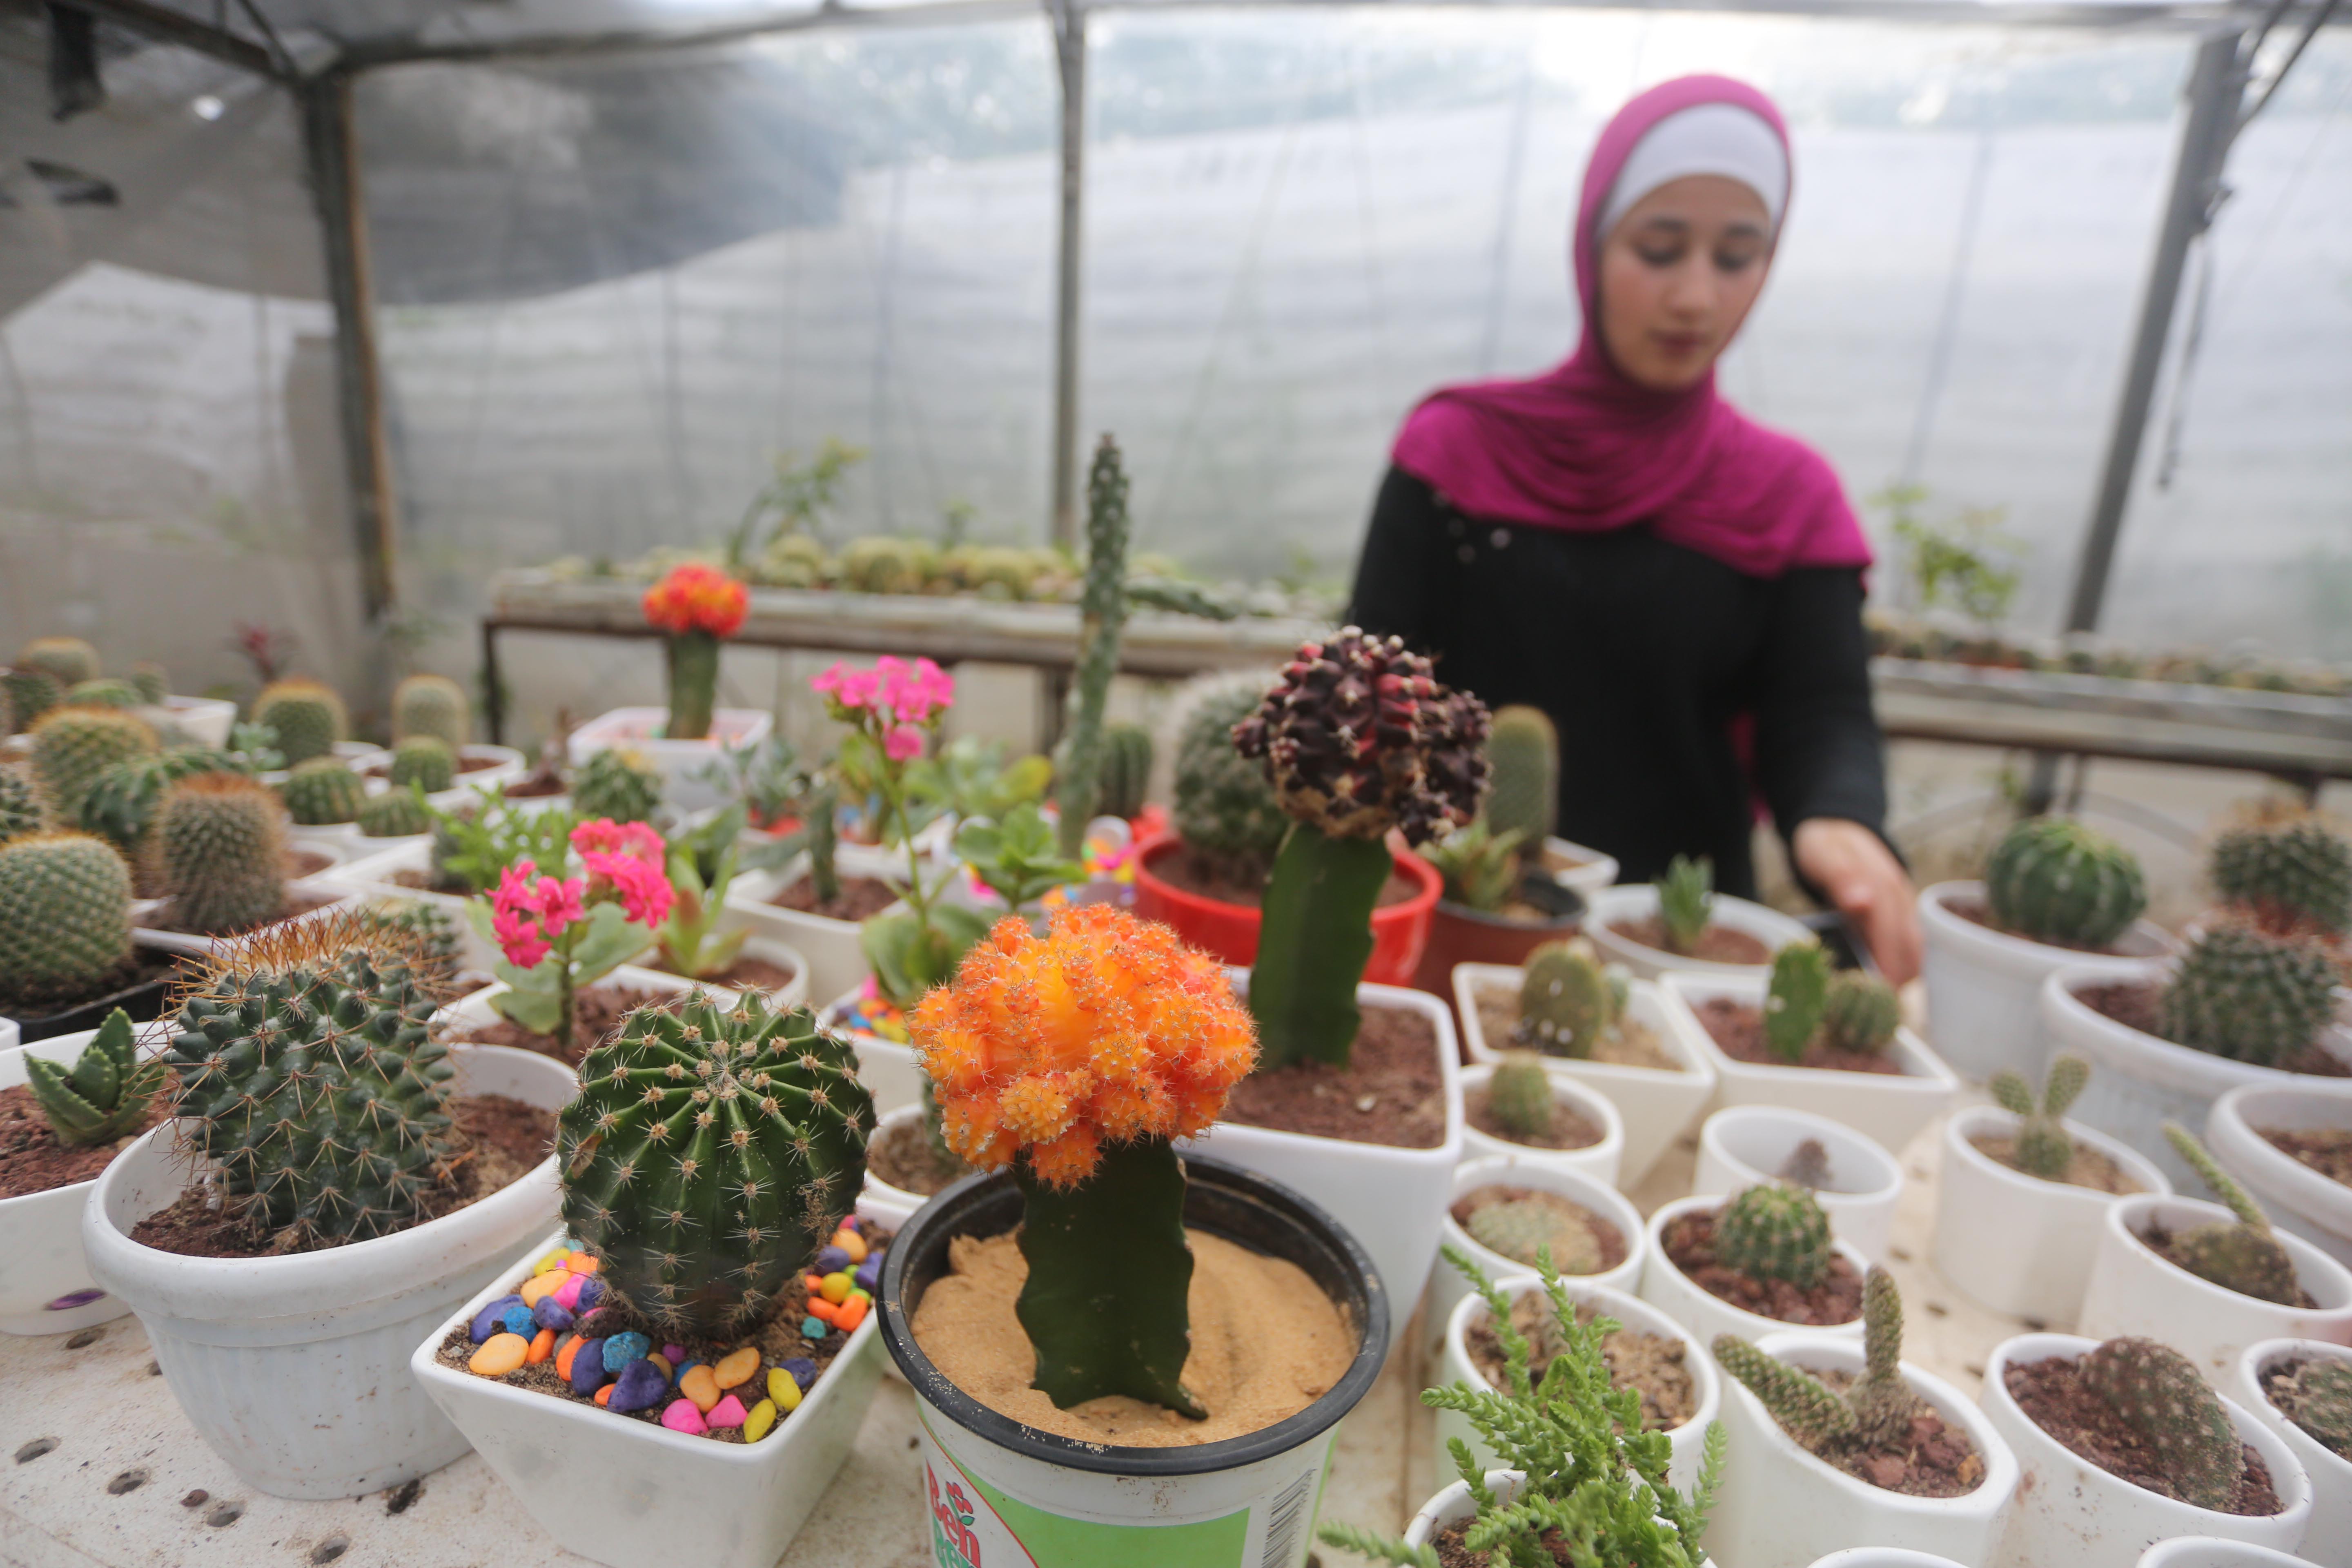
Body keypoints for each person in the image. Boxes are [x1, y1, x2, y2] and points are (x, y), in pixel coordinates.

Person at [1348, 74, 1922, 984]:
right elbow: (1374, 683)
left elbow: (1821, 710)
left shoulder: (1789, 496)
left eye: (1738, 256)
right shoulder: (1459, 452)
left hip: (1677, 940)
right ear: (1593, 241)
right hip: (1464, 915)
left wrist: (1842, 816)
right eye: (1659, 248)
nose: (1696, 296)